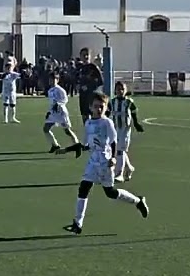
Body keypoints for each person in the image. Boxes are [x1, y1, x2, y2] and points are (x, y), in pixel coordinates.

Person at [59, 93, 150, 235]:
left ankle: (138, 201)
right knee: (84, 188)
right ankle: (77, 223)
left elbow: (113, 142)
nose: (99, 109)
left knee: (111, 193)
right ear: (90, 107)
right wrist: (67, 149)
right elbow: (86, 145)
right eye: (96, 106)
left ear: (106, 108)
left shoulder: (107, 123)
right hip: (92, 162)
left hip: (105, 163)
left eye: (102, 106)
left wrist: (113, 158)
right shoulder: (88, 123)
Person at [107, 80, 145, 182]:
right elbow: (107, 113)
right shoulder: (112, 102)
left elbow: (133, 112)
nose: (120, 91)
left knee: (120, 150)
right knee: (119, 150)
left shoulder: (129, 102)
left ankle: (119, 174)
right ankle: (129, 168)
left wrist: (136, 124)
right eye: (118, 89)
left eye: (122, 89)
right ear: (115, 90)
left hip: (125, 130)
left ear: (126, 90)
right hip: (114, 129)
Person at [42, 72, 80, 153]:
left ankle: (77, 144)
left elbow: (65, 99)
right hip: (53, 113)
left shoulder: (60, 90)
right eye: (50, 79)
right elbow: (51, 103)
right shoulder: (50, 91)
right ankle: (55, 145)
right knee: (46, 129)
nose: (51, 81)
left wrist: (59, 104)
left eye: (53, 79)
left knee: (67, 131)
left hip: (61, 113)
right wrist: (49, 111)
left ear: (57, 80)